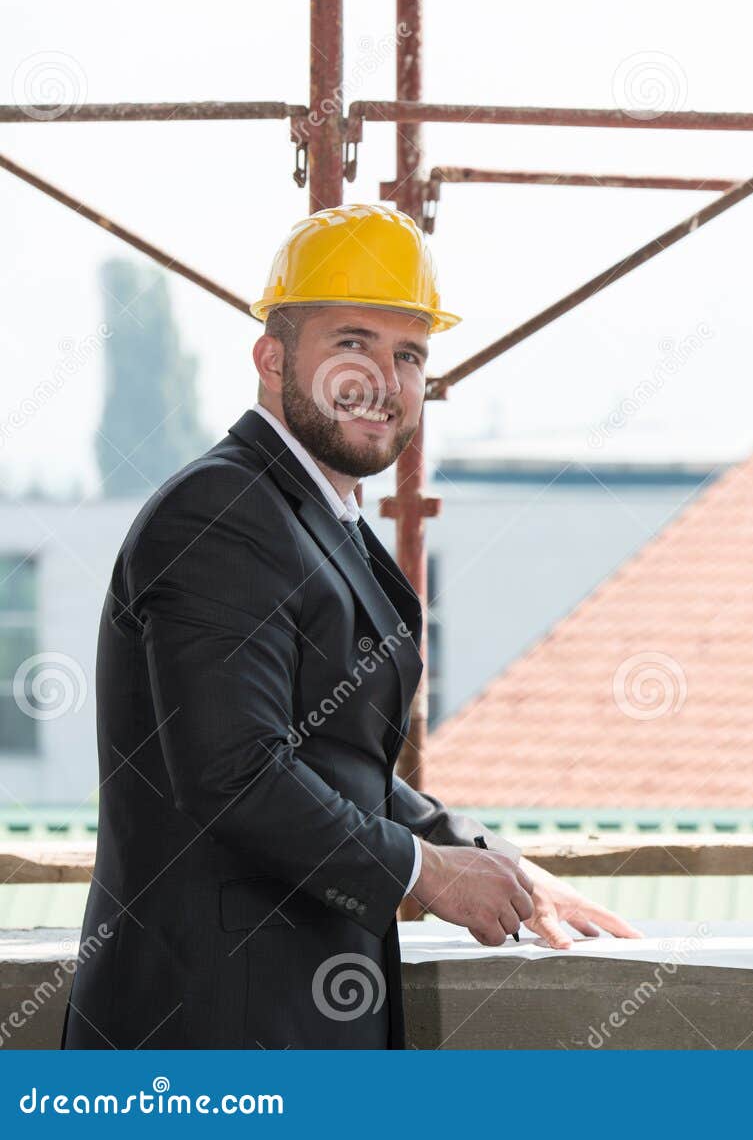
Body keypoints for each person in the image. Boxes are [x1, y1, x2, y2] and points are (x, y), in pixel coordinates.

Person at [61, 204, 639, 1049]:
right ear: (271, 358)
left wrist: (481, 853)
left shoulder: (308, 518)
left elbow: (325, 753)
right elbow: (235, 773)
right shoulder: (222, 512)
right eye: (351, 343)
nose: (384, 378)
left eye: (408, 354)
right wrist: (427, 872)